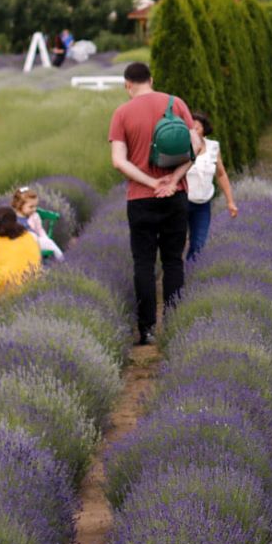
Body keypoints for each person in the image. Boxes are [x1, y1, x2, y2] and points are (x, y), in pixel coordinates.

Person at [108, 61, 195, 344]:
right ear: (151, 79)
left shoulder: (122, 113)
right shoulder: (175, 103)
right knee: (173, 262)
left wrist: (151, 182)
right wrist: (172, 179)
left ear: (127, 84)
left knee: (143, 264)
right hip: (176, 196)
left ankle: (146, 330)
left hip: (141, 199)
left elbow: (118, 161)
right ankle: (175, 325)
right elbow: (196, 149)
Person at [184, 110, 238, 262]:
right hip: (182, 202)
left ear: (204, 130)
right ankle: (176, 277)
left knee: (198, 244)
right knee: (176, 243)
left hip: (202, 205)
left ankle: (190, 273)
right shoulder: (181, 146)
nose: (193, 131)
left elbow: (221, 174)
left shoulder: (213, 147)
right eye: (190, 127)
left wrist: (230, 202)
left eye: (197, 128)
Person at [0, 204, 43, 297]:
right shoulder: (32, 236)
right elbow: (39, 261)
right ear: (15, 220)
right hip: (35, 290)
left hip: (4, 291)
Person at [13, 185, 64, 259]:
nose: (34, 209)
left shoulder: (35, 216)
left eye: (35, 206)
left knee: (50, 244)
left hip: (34, 242)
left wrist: (45, 238)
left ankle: (62, 261)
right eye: (31, 207)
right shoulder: (12, 217)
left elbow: (39, 230)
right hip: (18, 244)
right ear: (19, 205)